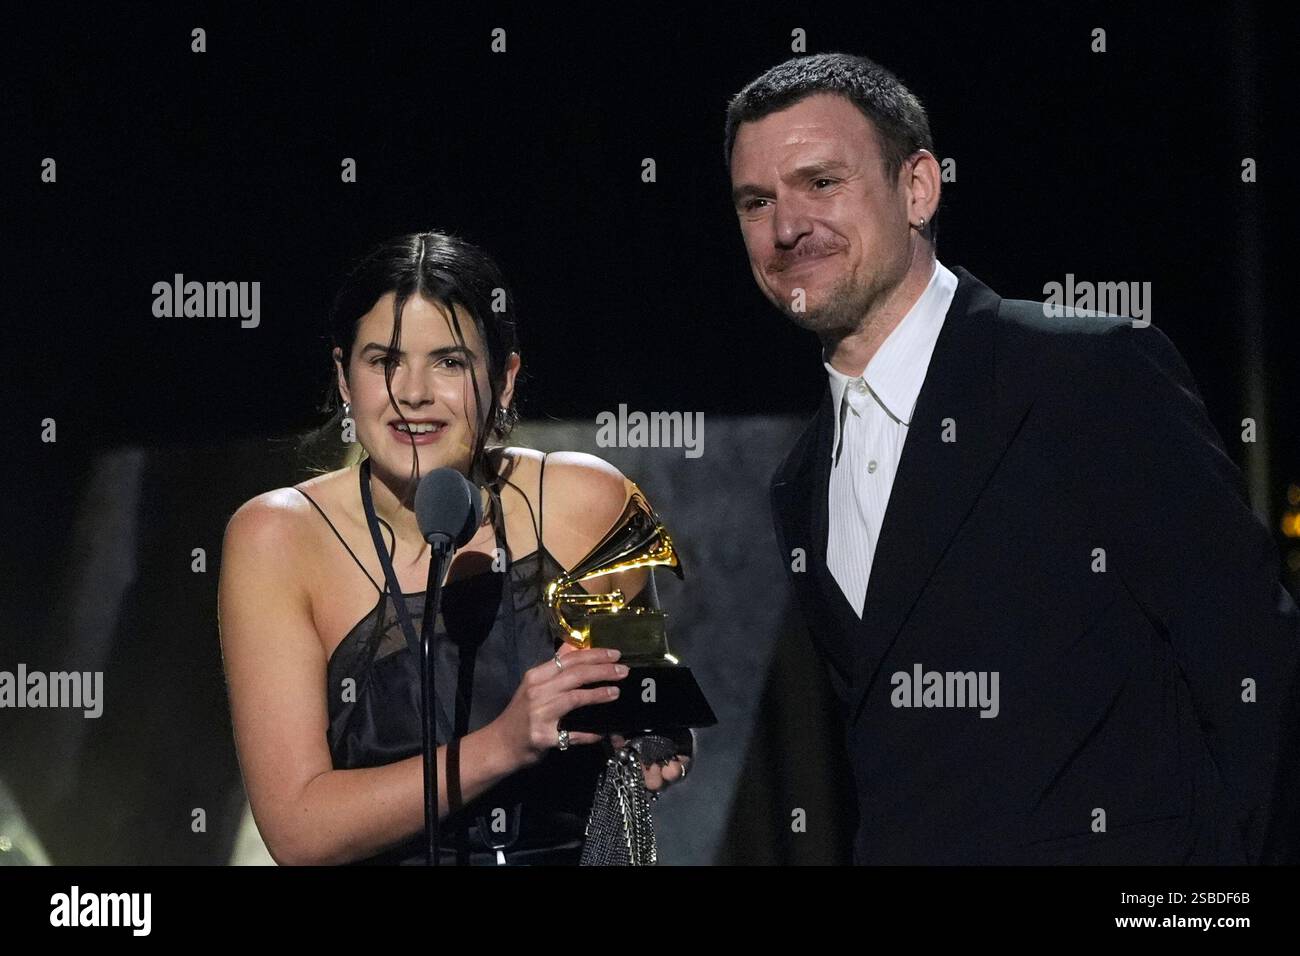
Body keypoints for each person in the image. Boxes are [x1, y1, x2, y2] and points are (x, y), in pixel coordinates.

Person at [726, 52, 1300, 863]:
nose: (787, 226)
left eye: (821, 183)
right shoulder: (799, 481)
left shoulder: (1087, 372)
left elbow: (1252, 662)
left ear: (918, 186)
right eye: (757, 201)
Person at [218, 231, 692, 865]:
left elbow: (649, 699)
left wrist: (655, 732)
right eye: (384, 361)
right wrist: (504, 744)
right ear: (342, 378)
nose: (413, 392)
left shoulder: (587, 501)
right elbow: (299, 830)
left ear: (504, 379)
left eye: (450, 362)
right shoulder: (276, 538)